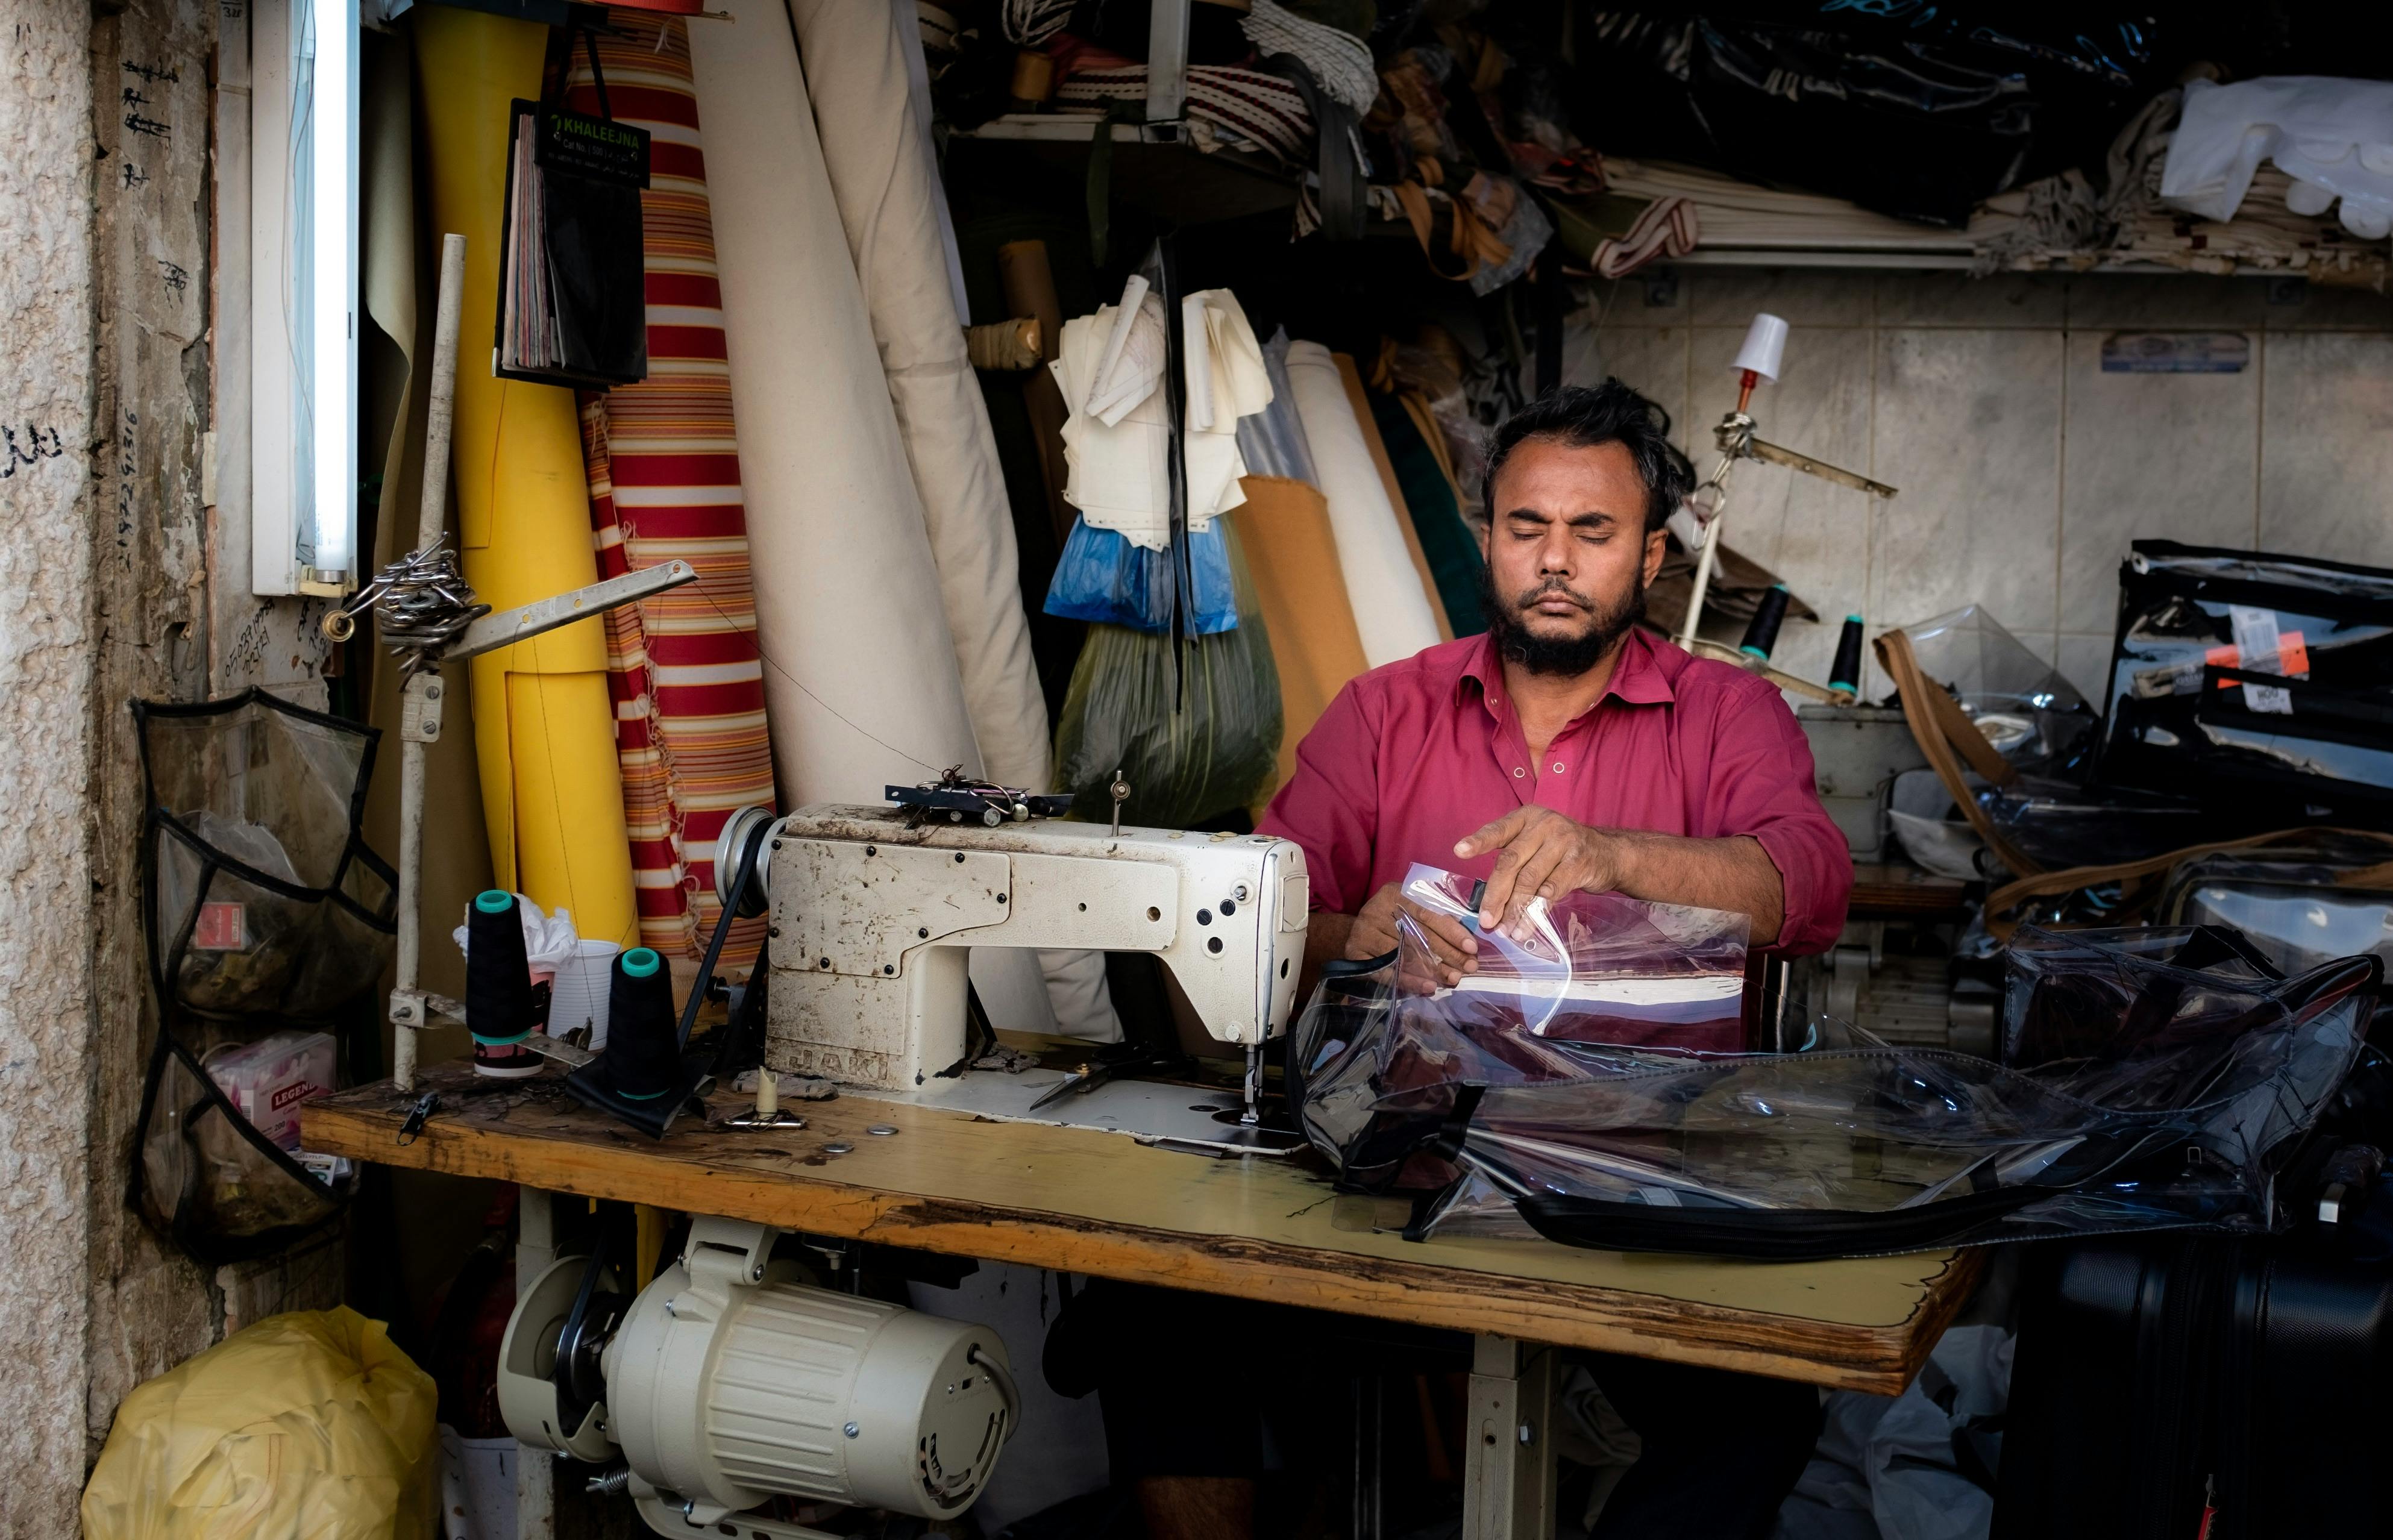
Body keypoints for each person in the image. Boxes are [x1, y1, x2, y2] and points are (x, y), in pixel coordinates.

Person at [1064, 381, 1852, 1540]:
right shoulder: (1387, 712)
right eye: (1528, 527)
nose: (1555, 561)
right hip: (1395, 1176)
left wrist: (1618, 858)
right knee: (1151, 1319)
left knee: (1762, 1412)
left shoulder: (1728, 717)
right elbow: (1256, 910)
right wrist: (1349, 938)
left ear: (1650, 554)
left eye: (1594, 532)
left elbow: (1808, 889)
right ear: (1486, 538)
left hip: (1634, 1183)